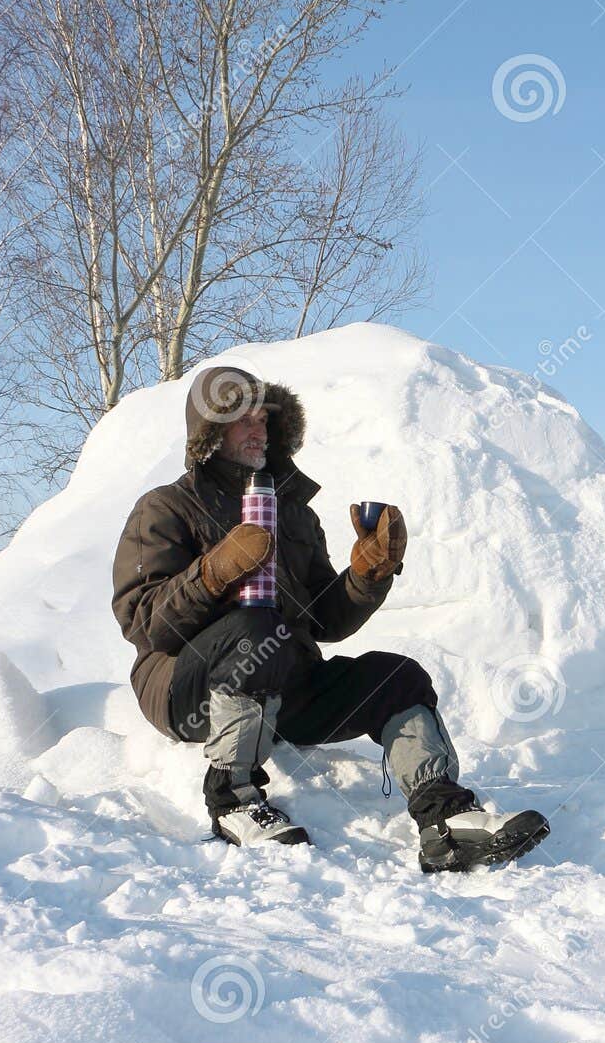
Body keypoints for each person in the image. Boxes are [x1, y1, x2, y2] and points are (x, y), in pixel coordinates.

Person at [110, 364, 549, 871]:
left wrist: (367, 574)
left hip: (283, 685)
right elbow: (144, 625)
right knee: (256, 630)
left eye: (264, 417)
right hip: (184, 690)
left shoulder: (292, 511)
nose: (258, 428)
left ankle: (444, 819)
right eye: (240, 418)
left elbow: (324, 622)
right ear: (209, 432)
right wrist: (212, 573)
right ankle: (232, 800)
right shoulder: (165, 507)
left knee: (396, 675)